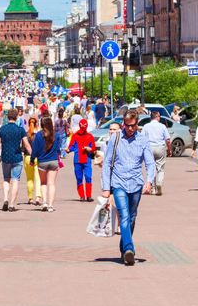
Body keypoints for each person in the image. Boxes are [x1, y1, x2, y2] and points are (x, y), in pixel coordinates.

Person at [99, 110, 155, 266]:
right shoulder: (115, 139)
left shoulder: (143, 140)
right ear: (124, 123)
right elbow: (106, 164)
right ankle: (130, 249)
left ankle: (124, 247)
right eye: (128, 125)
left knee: (131, 217)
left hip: (136, 184)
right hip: (119, 184)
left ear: (137, 124)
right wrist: (106, 187)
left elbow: (150, 162)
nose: (130, 128)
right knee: (123, 216)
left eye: (133, 125)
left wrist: (149, 181)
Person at [32, 115, 65, 212]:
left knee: (43, 183)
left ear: (41, 124)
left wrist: (32, 159)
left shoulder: (38, 135)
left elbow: (35, 150)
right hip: (54, 161)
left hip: (42, 161)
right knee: (52, 184)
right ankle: (51, 205)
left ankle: (45, 202)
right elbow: (58, 150)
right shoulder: (56, 135)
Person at [0, 109, 27, 211]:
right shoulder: (20, 130)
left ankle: (5, 199)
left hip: (5, 157)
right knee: (15, 180)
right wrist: (33, 155)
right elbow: (26, 144)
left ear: (7, 117)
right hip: (17, 157)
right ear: (16, 117)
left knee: (6, 179)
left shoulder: (1, 129)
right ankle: (11, 204)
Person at [141, 113, 171, 196]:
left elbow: (142, 138)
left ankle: (153, 189)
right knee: (160, 168)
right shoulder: (162, 126)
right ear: (157, 117)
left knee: (151, 168)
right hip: (160, 147)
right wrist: (169, 150)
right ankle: (159, 183)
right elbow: (167, 140)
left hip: (149, 148)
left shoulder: (146, 126)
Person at [68, 118, 97, 201]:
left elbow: (93, 147)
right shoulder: (75, 136)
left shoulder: (90, 136)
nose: (83, 127)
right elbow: (71, 146)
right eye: (81, 125)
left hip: (87, 160)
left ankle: (88, 196)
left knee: (88, 177)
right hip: (77, 160)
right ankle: (81, 196)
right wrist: (68, 150)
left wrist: (90, 149)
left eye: (84, 125)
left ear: (87, 126)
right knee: (79, 178)